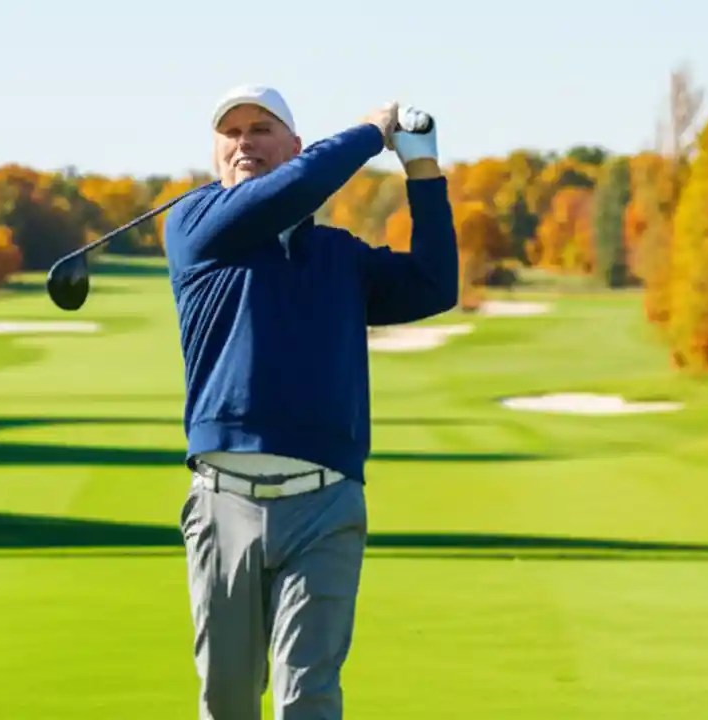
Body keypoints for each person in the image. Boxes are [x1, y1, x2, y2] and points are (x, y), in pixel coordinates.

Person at [162, 84, 458, 720]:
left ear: (293, 145)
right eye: (232, 133)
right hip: (224, 503)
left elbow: (435, 284)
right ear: (215, 153)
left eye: (261, 130)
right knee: (227, 700)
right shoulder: (195, 226)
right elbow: (292, 192)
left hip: (325, 503)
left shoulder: (339, 257)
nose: (245, 143)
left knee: (309, 699)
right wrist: (366, 134)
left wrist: (424, 170)